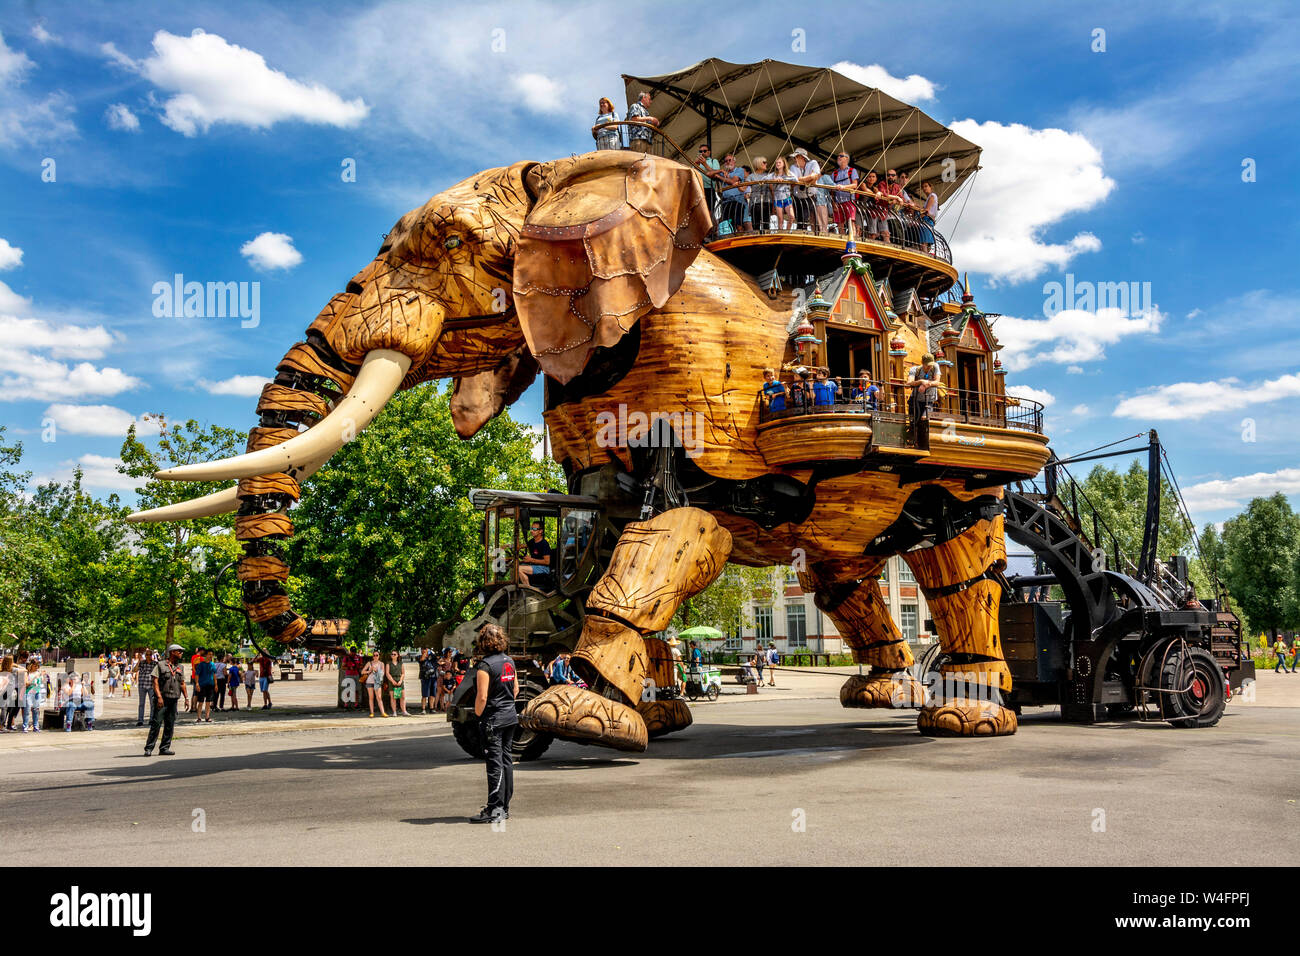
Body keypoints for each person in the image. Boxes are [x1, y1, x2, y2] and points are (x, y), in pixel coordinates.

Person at [469, 625, 518, 824]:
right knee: (506, 760)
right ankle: (504, 806)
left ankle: (495, 808)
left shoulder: (485, 666)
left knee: (494, 763)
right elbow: (515, 690)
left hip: (493, 719)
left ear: (483, 643)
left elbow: (482, 696)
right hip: (510, 717)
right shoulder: (509, 661)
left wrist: (478, 715)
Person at [144, 643, 188, 756]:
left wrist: (186, 698)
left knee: (170, 724)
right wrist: (158, 697)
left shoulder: (180, 667)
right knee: (156, 723)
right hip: (162, 699)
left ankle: (164, 748)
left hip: (173, 700)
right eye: (179, 651)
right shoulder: (160, 665)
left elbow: (182, 683)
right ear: (172, 652)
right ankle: (149, 748)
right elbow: (155, 682)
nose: (181, 653)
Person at [788, 148, 823, 233]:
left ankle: (810, 233)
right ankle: (801, 233)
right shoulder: (793, 167)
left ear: (802, 157)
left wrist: (801, 180)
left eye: (796, 157)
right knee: (799, 218)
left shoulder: (813, 163)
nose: (794, 159)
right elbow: (794, 181)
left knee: (808, 216)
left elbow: (815, 176)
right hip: (798, 196)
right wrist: (809, 178)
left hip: (810, 196)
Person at [907, 353, 942, 427]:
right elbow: (908, 383)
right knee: (913, 422)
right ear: (922, 363)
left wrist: (926, 385)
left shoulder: (935, 367)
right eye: (928, 365)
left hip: (929, 401)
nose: (930, 367)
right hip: (915, 400)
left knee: (924, 419)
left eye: (931, 364)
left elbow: (937, 382)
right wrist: (921, 381)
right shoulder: (915, 370)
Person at [717, 154, 750, 232]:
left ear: (734, 161)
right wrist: (720, 171)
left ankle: (741, 242)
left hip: (737, 202)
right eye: (726, 161)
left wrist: (719, 177)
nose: (728, 162)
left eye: (730, 160)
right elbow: (709, 173)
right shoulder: (723, 172)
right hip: (726, 202)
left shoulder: (739, 170)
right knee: (726, 226)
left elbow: (733, 181)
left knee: (739, 225)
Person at [518, 520, 554, 590]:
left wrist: (531, 560)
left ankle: (529, 590)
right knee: (515, 566)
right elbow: (521, 546)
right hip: (534, 566)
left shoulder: (544, 544)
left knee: (518, 569)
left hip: (544, 568)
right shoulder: (532, 541)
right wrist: (509, 546)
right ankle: (519, 588)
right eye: (531, 529)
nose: (531, 531)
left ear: (540, 531)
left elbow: (547, 562)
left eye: (534, 529)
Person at [829, 152, 859, 236]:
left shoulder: (852, 171)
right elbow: (831, 190)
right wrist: (833, 202)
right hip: (838, 202)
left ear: (846, 159)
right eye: (838, 156)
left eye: (841, 156)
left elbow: (854, 185)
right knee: (839, 223)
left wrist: (843, 187)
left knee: (851, 221)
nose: (839, 157)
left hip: (849, 200)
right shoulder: (834, 173)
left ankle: (853, 239)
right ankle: (842, 239)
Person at [693, 144, 722, 217]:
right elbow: (692, 174)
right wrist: (695, 164)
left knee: (709, 212)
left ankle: (711, 227)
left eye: (704, 151)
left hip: (709, 189)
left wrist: (704, 164)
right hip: (699, 188)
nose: (702, 152)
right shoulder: (697, 162)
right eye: (700, 151)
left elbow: (716, 173)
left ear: (709, 152)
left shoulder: (713, 161)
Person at [769, 155, 796, 231]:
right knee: (780, 219)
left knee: (791, 217)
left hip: (787, 198)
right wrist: (774, 180)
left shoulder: (788, 173)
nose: (777, 164)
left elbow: (796, 179)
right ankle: (781, 234)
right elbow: (764, 179)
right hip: (778, 199)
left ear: (784, 163)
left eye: (779, 162)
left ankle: (787, 231)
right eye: (776, 163)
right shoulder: (773, 175)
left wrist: (785, 179)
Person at [916, 180, 939, 254]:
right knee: (925, 241)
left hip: (927, 220)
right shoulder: (930, 197)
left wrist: (918, 218)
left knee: (924, 242)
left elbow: (926, 210)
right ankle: (926, 253)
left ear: (930, 187)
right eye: (923, 187)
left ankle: (925, 255)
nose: (924, 188)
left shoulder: (932, 196)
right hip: (928, 220)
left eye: (926, 186)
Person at [362, 652, 388, 717]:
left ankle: (383, 712)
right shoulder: (369, 663)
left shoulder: (381, 664)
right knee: (371, 698)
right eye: (374, 655)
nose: (375, 656)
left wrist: (377, 670)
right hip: (369, 682)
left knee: (379, 697)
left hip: (377, 682)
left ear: (379, 656)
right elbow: (362, 672)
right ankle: (372, 713)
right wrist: (369, 670)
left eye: (377, 655)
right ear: (373, 656)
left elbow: (383, 674)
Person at [21, 659, 44, 733]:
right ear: (31, 665)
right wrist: (34, 678)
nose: (36, 668)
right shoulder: (27, 673)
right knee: (27, 710)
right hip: (28, 693)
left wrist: (42, 677)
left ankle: (35, 726)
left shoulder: (38, 673)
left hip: (37, 692)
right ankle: (25, 726)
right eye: (35, 666)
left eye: (37, 666)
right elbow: (26, 684)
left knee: (36, 710)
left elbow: (41, 682)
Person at [387, 650, 410, 716]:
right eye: (392, 654)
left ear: (397, 655)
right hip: (392, 681)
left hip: (399, 680)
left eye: (394, 654)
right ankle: (394, 712)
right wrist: (392, 681)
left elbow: (403, 673)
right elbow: (387, 673)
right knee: (393, 698)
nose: (393, 655)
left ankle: (404, 711)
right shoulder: (389, 663)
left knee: (402, 697)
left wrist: (400, 681)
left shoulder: (401, 663)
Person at [418, 648, 439, 713]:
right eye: (423, 649)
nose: (424, 650)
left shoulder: (432, 657)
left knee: (432, 694)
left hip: (433, 677)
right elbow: (422, 659)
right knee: (424, 694)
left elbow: (438, 657)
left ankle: (431, 708)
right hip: (425, 677)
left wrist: (432, 652)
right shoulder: (419, 657)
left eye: (426, 649)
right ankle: (423, 709)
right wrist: (425, 653)